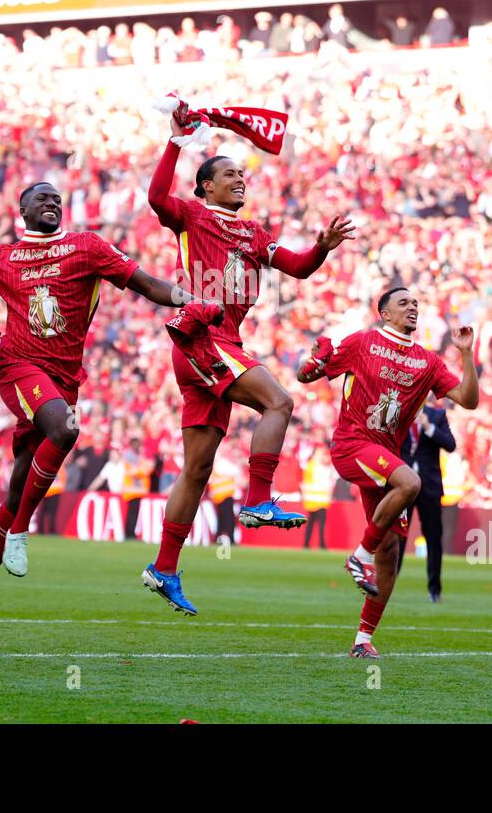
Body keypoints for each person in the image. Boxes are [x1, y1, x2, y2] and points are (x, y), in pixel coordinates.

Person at [0, 182, 207, 641]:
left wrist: (189, 299)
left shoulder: (86, 246)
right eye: (41, 198)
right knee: (66, 431)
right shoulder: (3, 259)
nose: (51, 203)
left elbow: (145, 282)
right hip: (20, 367)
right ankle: (22, 532)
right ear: (21, 208)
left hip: (65, 377)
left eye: (57, 199)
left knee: (16, 490)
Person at [141, 118, 355, 616]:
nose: (241, 180)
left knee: (196, 469)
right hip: (201, 336)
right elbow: (156, 197)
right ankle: (260, 497)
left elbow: (299, 266)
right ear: (206, 185)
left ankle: (164, 568)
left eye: (244, 174)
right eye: (230, 174)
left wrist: (322, 246)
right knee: (280, 401)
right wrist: (175, 142)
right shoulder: (192, 215)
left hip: (220, 343)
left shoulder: (255, 234)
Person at [296, 288, 479, 657]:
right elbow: (305, 376)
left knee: (392, 552)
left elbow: (469, 400)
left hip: (384, 458)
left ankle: (363, 640)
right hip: (353, 445)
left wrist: (466, 354)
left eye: (416, 303)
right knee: (411, 481)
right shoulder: (363, 342)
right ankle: (359, 555)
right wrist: (314, 359)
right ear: (384, 314)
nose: (413, 307)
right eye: (403, 303)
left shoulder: (426, 361)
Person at [400, 403, 455, 601]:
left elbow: (450, 444)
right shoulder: (400, 410)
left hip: (429, 487)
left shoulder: (437, 415)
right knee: (397, 537)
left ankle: (434, 590)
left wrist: (429, 428)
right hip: (402, 484)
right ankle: (386, 586)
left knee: (433, 539)